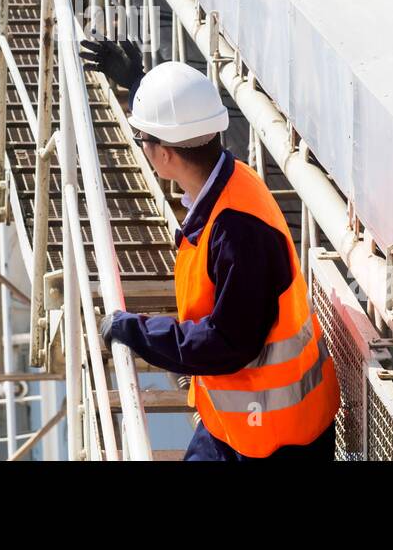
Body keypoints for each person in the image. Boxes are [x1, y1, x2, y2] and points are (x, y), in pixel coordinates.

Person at [81, 39, 342, 461]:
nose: (140, 146)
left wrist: (136, 331)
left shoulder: (237, 233)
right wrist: (140, 84)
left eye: (141, 137)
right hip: (240, 420)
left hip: (275, 441)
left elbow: (226, 344)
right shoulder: (232, 179)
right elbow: (187, 127)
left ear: (163, 155)